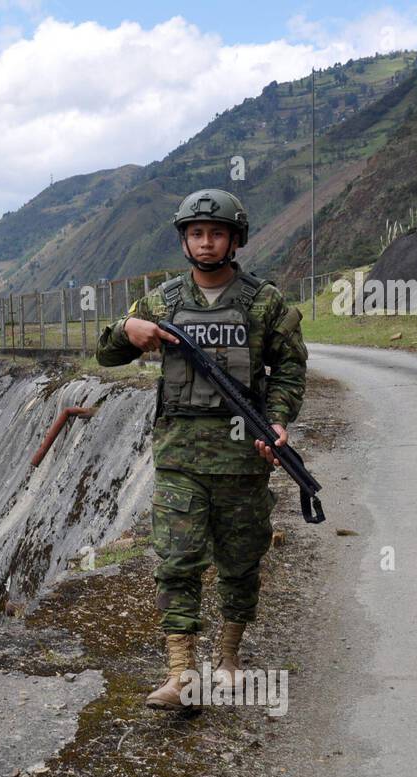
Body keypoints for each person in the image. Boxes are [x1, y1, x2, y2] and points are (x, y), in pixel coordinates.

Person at [94, 188, 308, 710]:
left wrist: (278, 421)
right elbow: (107, 354)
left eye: (216, 234)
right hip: (180, 457)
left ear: (235, 239)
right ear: (184, 240)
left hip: (243, 456)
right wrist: (127, 328)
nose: (206, 243)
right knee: (177, 561)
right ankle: (181, 675)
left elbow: (290, 367)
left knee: (240, 559)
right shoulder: (162, 302)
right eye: (196, 234)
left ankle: (230, 658)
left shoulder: (264, 302)